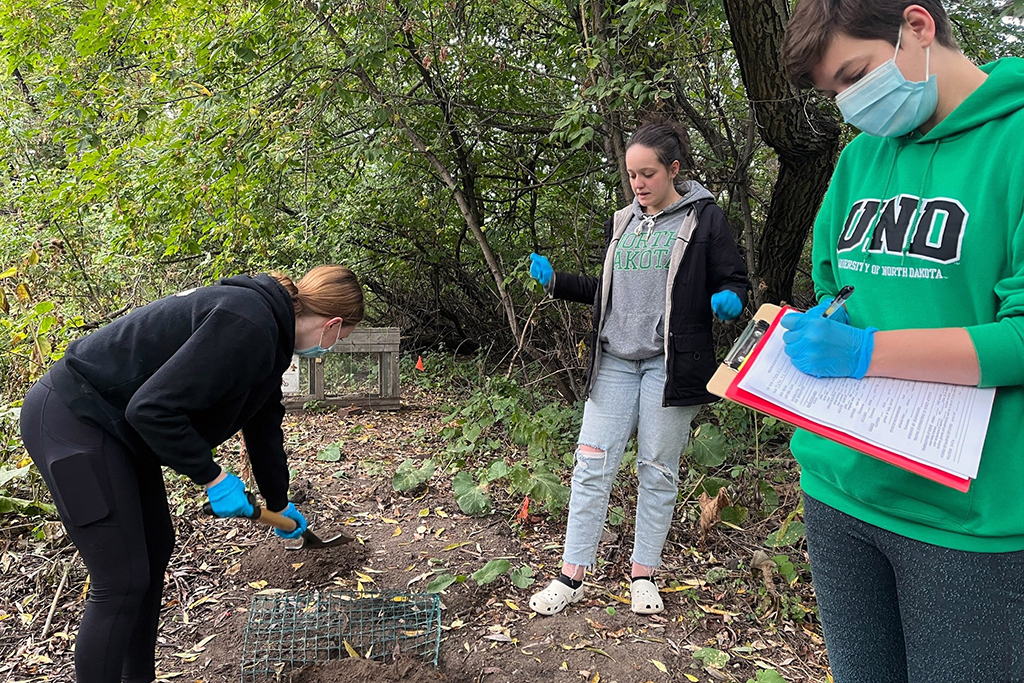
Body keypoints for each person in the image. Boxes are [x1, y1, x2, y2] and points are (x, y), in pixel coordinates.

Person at [780, 1, 1024, 680]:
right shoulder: (859, 161)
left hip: (966, 518)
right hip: (839, 487)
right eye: (836, 94)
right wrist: (825, 318)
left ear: (917, 27)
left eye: (855, 75)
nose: (852, 107)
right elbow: (834, 281)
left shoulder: (1017, 144)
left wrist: (865, 353)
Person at [20, 266, 364, 683]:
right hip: (73, 420)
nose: (329, 349)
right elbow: (151, 409)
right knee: (121, 580)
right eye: (338, 342)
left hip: (115, 433)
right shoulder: (248, 322)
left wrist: (279, 502)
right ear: (333, 325)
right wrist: (213, 478)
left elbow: (263, 425)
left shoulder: (268, 335)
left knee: (153, 550)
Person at [526, 121, 750, 616]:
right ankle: (572, 576)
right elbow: (606, 291)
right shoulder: (622, 222)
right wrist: (557, 281)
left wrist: (729, 298)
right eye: (631, 176)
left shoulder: (704, 220)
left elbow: (735, 278)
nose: (639, 185)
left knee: (657, 470)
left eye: (648, 174)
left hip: (670, 367)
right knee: (590, 467)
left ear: (674, 170)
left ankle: (643, 573)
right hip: (614, 364)